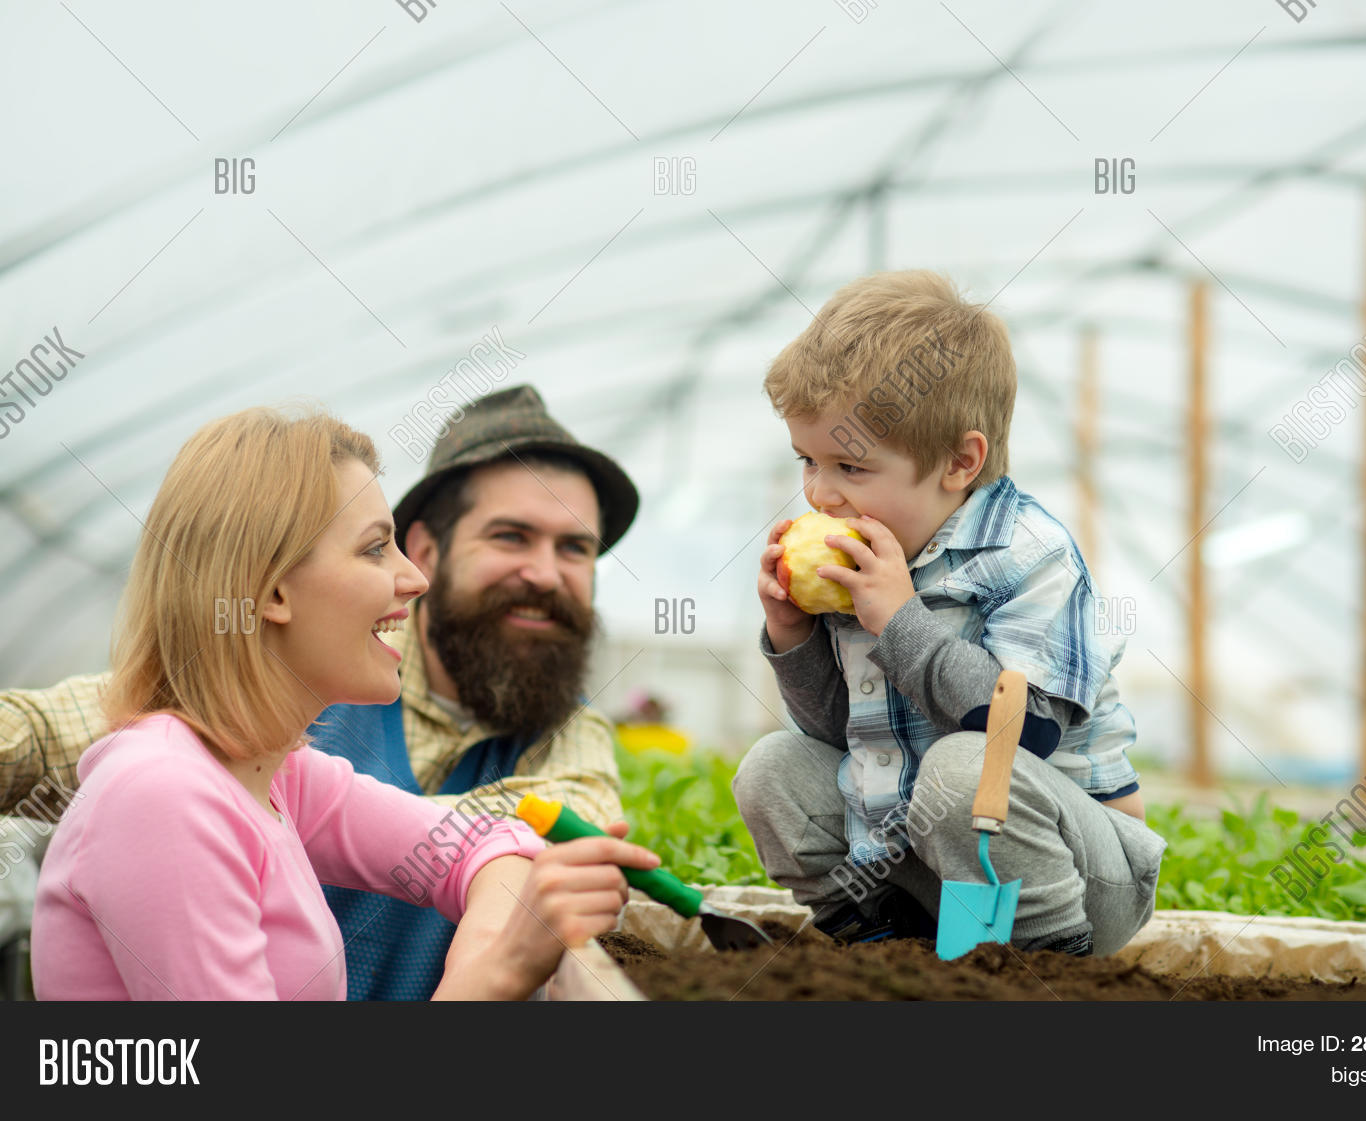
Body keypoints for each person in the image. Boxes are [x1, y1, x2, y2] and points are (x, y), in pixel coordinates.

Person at [2, 384, 641, 999]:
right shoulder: (172, 787)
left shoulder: (281, 771)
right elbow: (66, 728)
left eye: (576, 549)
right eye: (374, 550)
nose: (410, 581)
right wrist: (491, 978)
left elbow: (494, 842)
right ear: (273, 591)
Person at [733, 270, 1166, 956]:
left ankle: (1036, 964)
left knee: (966, 764)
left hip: (1072, 875)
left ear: (959, 461)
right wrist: (795, 640)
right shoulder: (874, 558)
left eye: (849, 466)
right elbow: (834, 733)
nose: (820, 494)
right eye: (807, 461)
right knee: (772, 767)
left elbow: (1026, 731)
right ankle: (881, 942)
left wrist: (900, 620)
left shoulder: (1028, 554)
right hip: (919, 859)